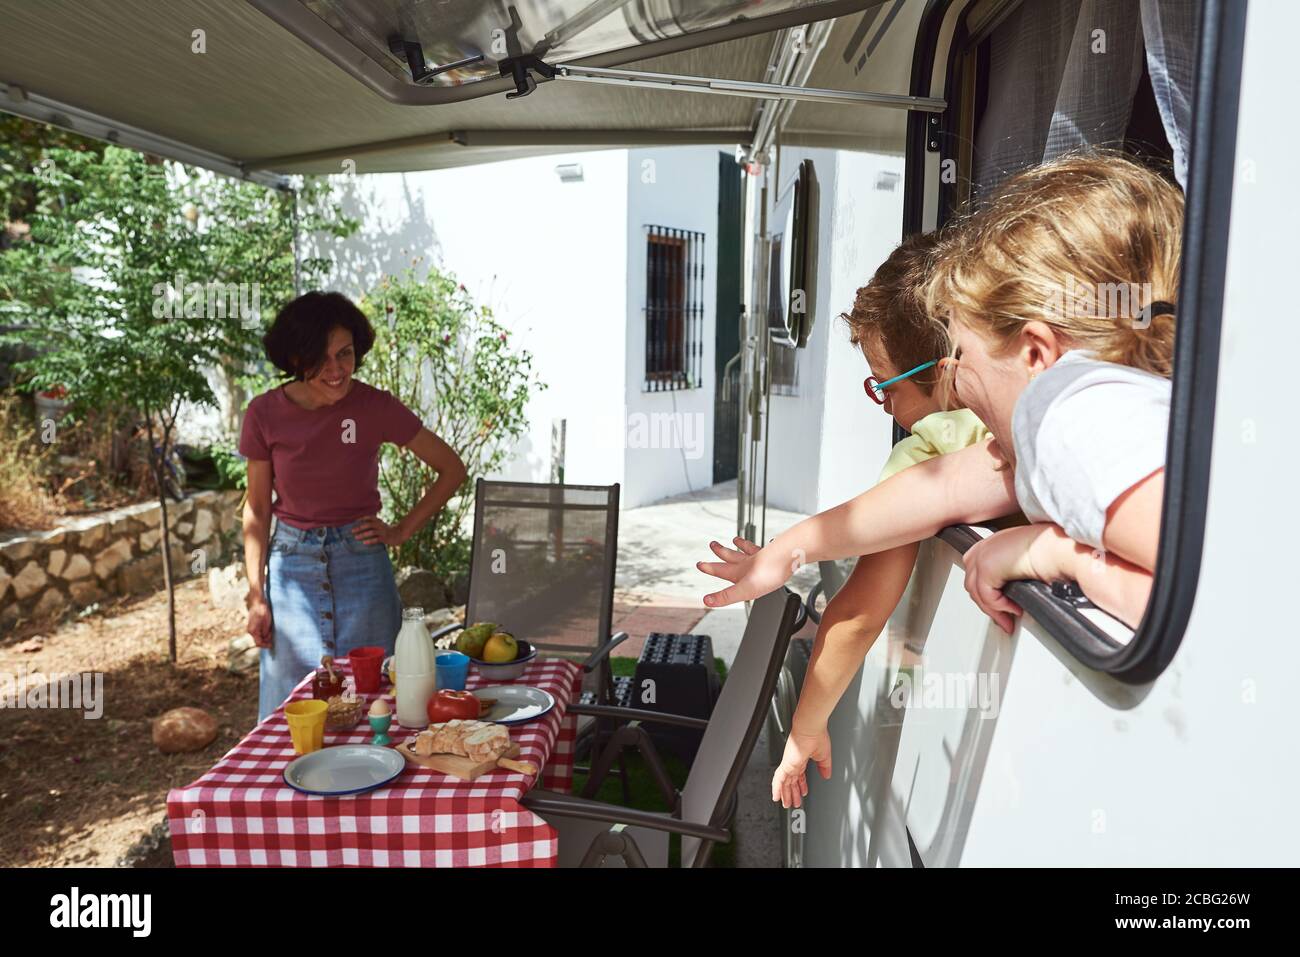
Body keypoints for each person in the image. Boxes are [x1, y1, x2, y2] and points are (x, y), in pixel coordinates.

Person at [699, 151, 1181, 723]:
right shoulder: (1106, 406)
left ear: (1035, 351)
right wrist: (785, 551)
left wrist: (1050, 554)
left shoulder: (1072, 415)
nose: (956, 375)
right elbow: (942, 488)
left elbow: (1186, 597)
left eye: (960, 352)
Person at [762, 231, 995, 810]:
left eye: (882, 384)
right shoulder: (1021, 437)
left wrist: (804, 728)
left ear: (944, 372)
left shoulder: (927, 452)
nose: (884, 403)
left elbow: (857, 615)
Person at [240, 291, 468, 720]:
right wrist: (257, 596)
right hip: (292, 571)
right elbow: (256, 510)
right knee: (290, 712)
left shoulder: (374, 406)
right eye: (321, 358)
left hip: (363, 566)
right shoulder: (264, 414)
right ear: (295, 357)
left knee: (380, 701)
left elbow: (451, 468)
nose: (336, 370)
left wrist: (401, 531)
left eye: (345, 354)